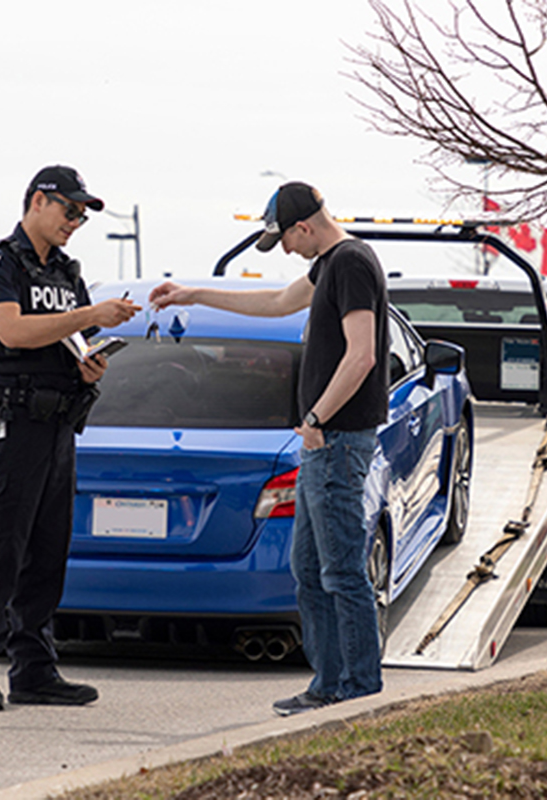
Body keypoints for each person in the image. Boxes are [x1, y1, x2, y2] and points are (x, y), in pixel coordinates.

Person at [150, 181, 388, 716]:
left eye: (284, 240)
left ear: (303, 226)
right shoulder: (330, 265)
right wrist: (194, 294)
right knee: (309, 570)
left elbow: (362, 355)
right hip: (323, 443)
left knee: (340, 571)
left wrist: (316, 418)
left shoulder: (350, 263)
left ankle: (356, 690)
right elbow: (278, 302)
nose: (284, 251)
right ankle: (328, 685)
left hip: (337, 440)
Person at [0, 165, 141, 711]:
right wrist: (90, 313)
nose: (75, 222)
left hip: (59, 428)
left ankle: (34, 671)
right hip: (12, 425)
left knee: (46, 557)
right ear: (38, 201)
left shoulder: (65, 273)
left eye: (82, 215)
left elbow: (76, 341)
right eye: (69, 209)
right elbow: (12, 330)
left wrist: (90, 363)